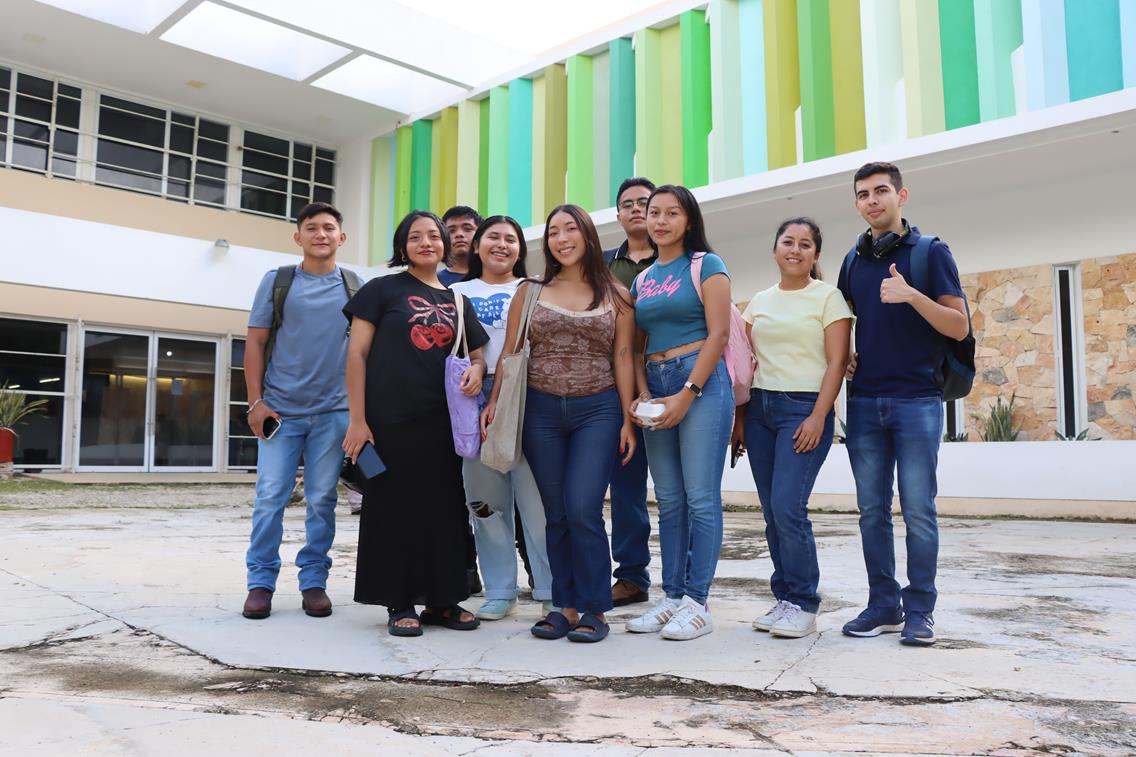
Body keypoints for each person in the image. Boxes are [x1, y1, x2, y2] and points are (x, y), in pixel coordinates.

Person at [483, 204, 636, 643]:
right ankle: (563, 607)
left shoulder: (616, 294)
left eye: (571, 229)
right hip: (541, 412)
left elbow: (623, 358)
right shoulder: (529, 291)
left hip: (599, 410)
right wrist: (494, 403)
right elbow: (511, 353)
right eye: (554, 231)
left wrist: (627, 419)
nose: (562, 237)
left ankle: (595, 609)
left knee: (584, 508)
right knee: (555, 514)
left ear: (587, 235)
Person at [837, 162, 969, 646]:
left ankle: (920, 610)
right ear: (857, 203)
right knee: (871, 511)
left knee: (918, 510)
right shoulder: (852, 261)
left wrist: (912, 295)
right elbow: (847, 319)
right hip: (866, 400)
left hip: (918, 400)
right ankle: (882, 604)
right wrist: (848, 355)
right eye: (863, 194)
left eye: (881, 191)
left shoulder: (930, 252)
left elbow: (959, 327)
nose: (872, 200)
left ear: (901, 195)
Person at [342, 210, 490, 637]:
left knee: (443, 511)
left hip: (442, 423)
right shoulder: (381, 290)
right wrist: (357, 420)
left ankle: (443, 600)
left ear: (445, 244)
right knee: (392, 508)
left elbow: (476, 354)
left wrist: (478, 371)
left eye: (433, 236)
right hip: (387, 420)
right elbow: (356, 355)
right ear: (402, 246)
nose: (426, 243)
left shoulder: (458, 300)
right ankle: (398, 600)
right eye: (415, 236)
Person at [733, 218, 852, 639]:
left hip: (803, 408)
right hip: (761, 410)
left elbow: (837, 362)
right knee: (771, 512)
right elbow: (743, 363)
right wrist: (740, 420)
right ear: (775, 250)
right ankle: (784, 598)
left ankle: (803, 601)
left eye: (805, 244)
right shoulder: (761, 300)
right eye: (788, 242)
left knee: (788, 506)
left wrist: (819, 416)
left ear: (815, 255)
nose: (795, 250)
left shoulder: (828, 298)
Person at [242, 202, 360, 620]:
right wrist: (255, 402)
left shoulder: (354, 286)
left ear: (341, 238)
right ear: (298, 237)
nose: (321, 234)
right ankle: (260, 582)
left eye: (330, 228)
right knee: (270, 498)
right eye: (312, 228)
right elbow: (254, 344)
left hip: (333, 414)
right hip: (281, 413)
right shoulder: (278, 281)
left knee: (322, 500)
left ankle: (314, 581)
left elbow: (365, 353)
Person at [626, 185, 734, 641]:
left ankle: (697, 602)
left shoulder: (707, 265)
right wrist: (645, 392)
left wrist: (687, 393)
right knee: (668, 499)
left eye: (672, 213)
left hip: (700, 381)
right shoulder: (642, 278)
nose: (661, 221)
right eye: (655, 213)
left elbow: (720, 333)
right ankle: (671, 598)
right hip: (657, 381)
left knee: (701, 498)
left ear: (689, 221)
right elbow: (634, 346)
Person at [450, 216, 555, 620]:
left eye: (511, 239)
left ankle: (548, 588)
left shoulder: (535, 290)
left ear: (520, 249)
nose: (502, 245)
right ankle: (499, 589)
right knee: (486, 500)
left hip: (526, 393)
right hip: (472, 395)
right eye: (493, 237)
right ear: (477, 246)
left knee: (536, 500)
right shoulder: (456, 292)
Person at [602, 176, 657, 608]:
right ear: (618, 215)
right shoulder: (602, 265)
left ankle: (687, 580)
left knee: (683, 493)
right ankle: (632, 576)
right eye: (628, 204)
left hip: (675, 382)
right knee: (626, 487)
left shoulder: (682, 258)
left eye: (646, 202)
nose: (637, 209)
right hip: (618, 387)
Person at [438, 206, 483, 287]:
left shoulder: (494, 277)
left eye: (467, 229)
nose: (459, 234)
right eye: (451, 231)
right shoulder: (435, 282)